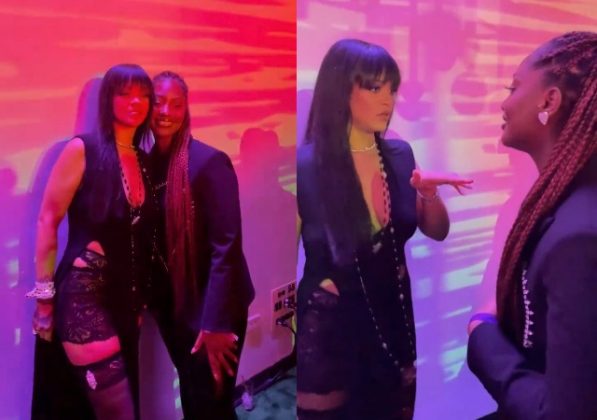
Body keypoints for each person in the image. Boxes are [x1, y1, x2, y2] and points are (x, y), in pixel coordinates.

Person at [296, 39, 472, 420]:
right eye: (375, 88)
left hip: (393, 308)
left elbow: (437, 231)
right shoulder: (306, 166)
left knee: (393, 407)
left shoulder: (399, 155)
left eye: (392, 89)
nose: (387, 101)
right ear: (341, 89)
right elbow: (280, 253)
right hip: (332, 320)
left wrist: (428, 194)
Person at [467, 31, 597, 419]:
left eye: (514, 87)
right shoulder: (568, 206)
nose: (504, 102)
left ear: (549, 101)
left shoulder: (578, 238)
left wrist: (482, 334)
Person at [29, 63, 156, 420]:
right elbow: (47, 220)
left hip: (125, 300)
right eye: (125, 94)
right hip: (83, 298)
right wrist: (44, 302)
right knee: (117, 411)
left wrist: (139, 301)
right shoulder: (82, 149)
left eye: (143, 95)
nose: (136, 102)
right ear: (107, 100)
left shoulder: (144, 161)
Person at [148, 70, 255, 419]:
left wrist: (217, 323)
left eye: (176, 104)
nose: (166, 111)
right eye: (158, 102)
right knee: (195, 398)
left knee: (212, 405)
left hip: (214, 308)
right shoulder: (148, 165)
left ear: (186, 109)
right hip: (176, 308)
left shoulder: (209, 162)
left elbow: (227, 247)